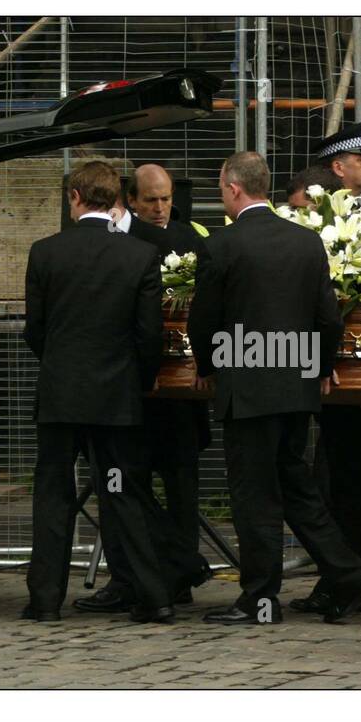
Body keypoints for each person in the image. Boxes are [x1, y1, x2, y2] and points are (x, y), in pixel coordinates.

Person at [188, 151, 361, 625]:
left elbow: (205, 319)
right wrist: (316, 366)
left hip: (247, 385)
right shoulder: (306, 242)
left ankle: (260, 597)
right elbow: (327, 316)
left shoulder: (223, 246)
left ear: (233, 188)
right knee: (297, 489)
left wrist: (211, 364)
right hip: (295, 385)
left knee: (254, 496)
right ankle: (348, 572)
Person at [21, 161, 174, 624]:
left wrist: (59, 363)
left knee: (53, 494)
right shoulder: (138, 256)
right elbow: (149, 335)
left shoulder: (45, 252)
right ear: (118, 201)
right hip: (116, 393)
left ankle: (46, 600)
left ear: (74, 196)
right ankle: (153, 595)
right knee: (124, 493)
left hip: (62, 391)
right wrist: (138, 381)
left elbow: (36, 330)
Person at [71, 165, 214, 615]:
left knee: (180, 486)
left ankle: (179, 573)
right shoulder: (120, 242)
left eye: (167, 199)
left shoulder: (191, 241)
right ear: (129, 200)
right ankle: (134, 576)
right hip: (134, 390)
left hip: (177, 393)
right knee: (121, 485)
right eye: (151, 199)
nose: (160, 208)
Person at [288, 126, 361, 616]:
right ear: (338, 168)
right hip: (345, 371)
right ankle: (349, 576)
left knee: (355, 482)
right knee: (341, 482)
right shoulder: (333, 223)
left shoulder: (358, 229)